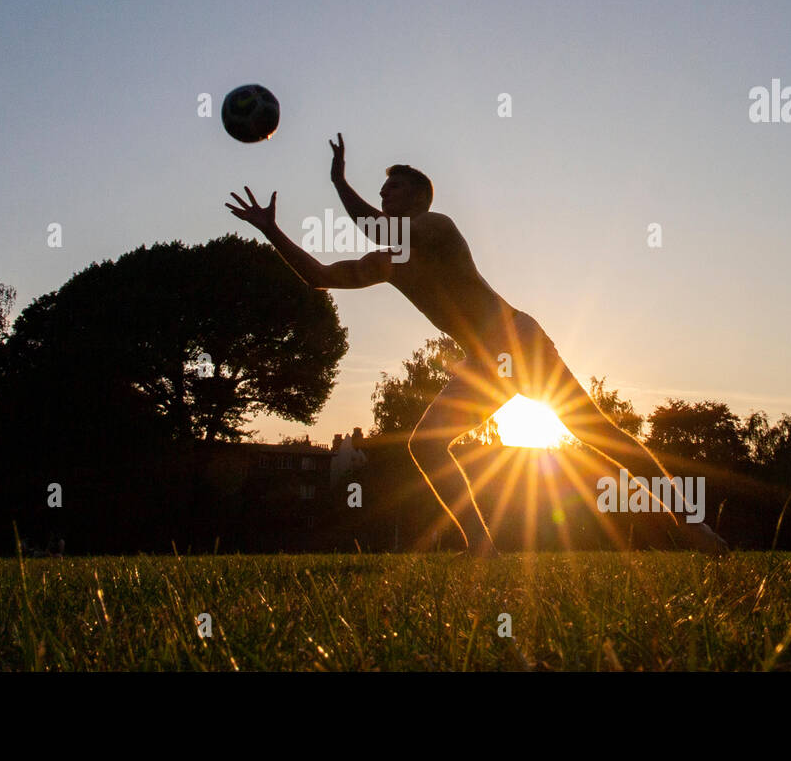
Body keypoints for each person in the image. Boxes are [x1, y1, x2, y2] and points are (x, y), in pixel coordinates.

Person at [226, 133, 728, 557]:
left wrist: (338, 183)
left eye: (394, 188)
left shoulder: (438, 227)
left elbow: (382, 227)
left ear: (421, 199)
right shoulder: (387, 263)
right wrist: (272, 229)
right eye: (382, 191)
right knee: (429, 446)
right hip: (484, 361)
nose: (385, 196)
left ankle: (692, 526)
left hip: (517, 341)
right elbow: (318, 276)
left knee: (601, 435)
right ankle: (481, 548)